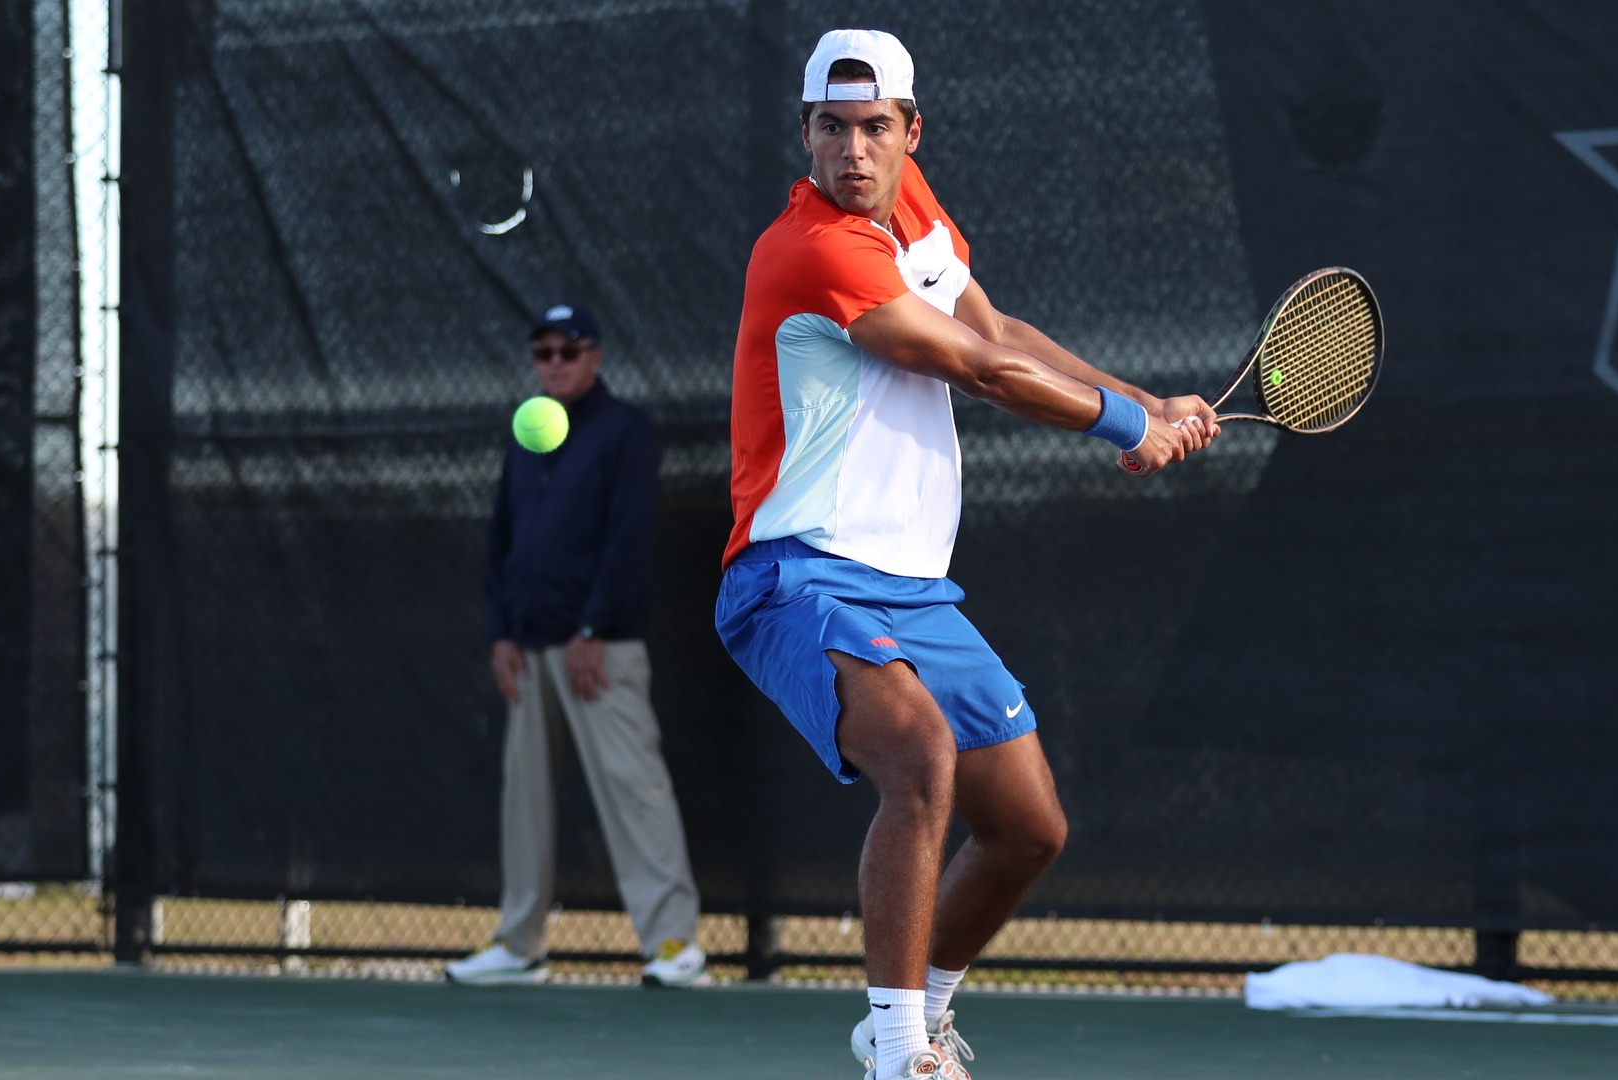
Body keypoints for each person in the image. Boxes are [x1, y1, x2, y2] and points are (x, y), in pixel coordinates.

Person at [715, 29, 1217, 1080]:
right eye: (832, 129)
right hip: (795, 576)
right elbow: (979, 371)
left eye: (875, 128)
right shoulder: (812, 248)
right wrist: (1126, 428)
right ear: (804, 134)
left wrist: (1145, 399)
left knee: (1029, 830)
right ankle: (901, 1054)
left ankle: (919, 1017)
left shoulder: (909, 207)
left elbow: (996, 328)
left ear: (911, 131)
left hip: (911, 589)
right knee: (919, 756)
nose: (854, 151)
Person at [447, 303, 706, 989]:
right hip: (528, 649)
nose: (555, 363)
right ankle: (520, 944)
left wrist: (593, 629)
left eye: (568, 350)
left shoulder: (625, 432)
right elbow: (502, 541)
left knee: (636, 789)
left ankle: (674, 942)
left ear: (595, 357)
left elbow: (629, 540)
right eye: (544, 352)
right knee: (523, 800)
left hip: (600, 652)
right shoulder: (525, 435)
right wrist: (501, 633)